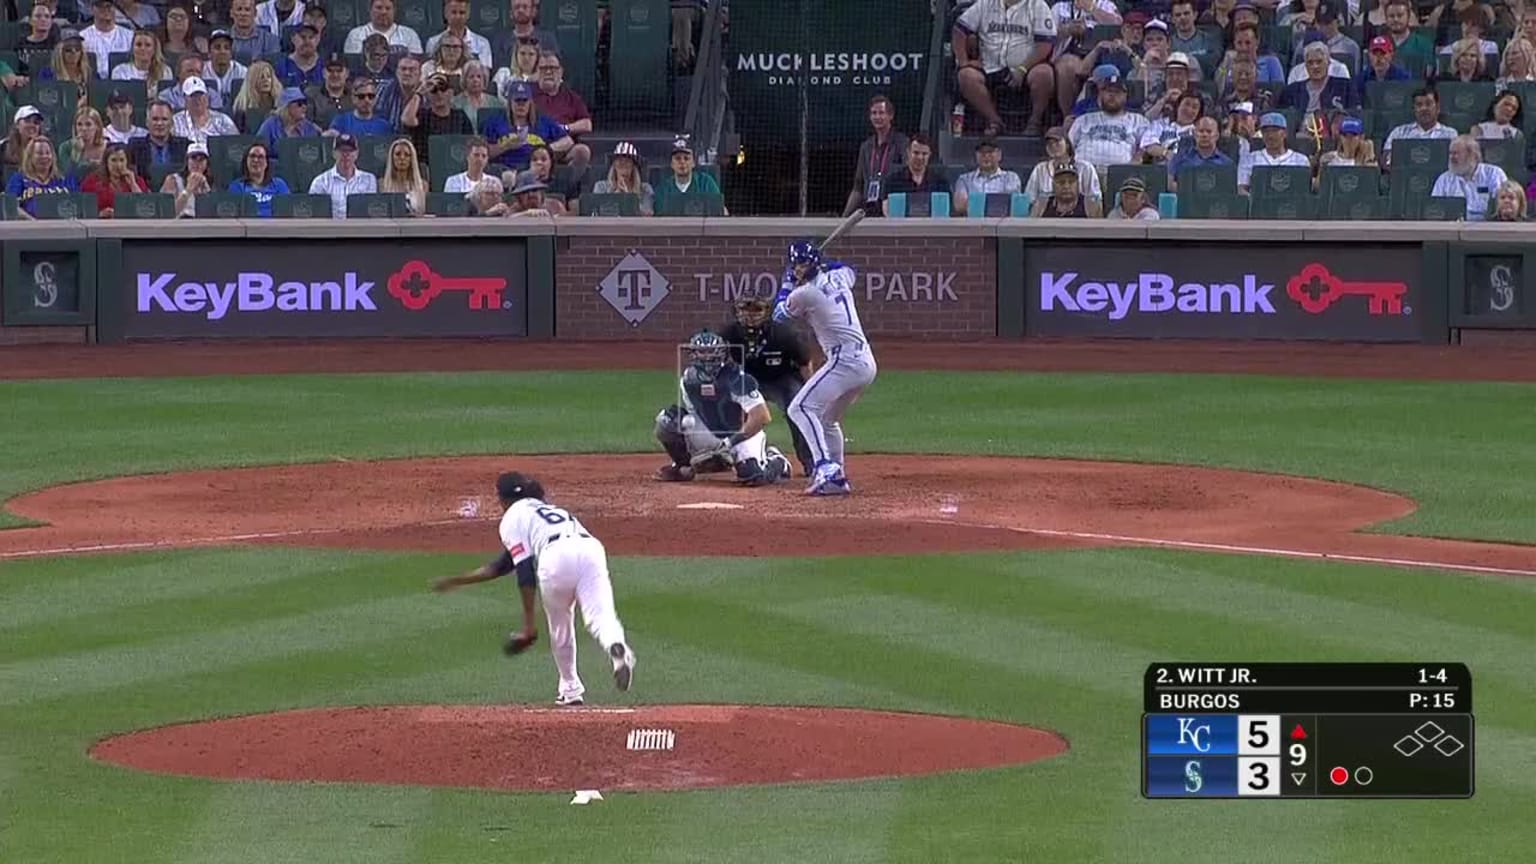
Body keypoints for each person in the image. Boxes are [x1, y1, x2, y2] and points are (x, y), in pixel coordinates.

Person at [432, 471, 636, 709]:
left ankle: (570, 689)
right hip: (589, 547)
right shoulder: (546, 509)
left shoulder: (511, 518)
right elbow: (502, 565)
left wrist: (528, 627)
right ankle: (617, 649)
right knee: (601, 617)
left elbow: (524, 570)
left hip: (555, 556)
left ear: (502, 499)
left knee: (560, 625)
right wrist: (458, 580)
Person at [772, 241, 877, 496]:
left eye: (802, 265)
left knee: (800, 407)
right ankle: (836, 474)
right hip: (865, 362)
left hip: (845, 361)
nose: (798, 269)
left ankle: (825, 468)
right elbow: (849, 268)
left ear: (813, 264)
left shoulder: (804, 294)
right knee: (828, 419)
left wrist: (786, 285)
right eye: (795, 265)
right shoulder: (839, 277)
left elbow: (777, 315)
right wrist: (822, 263)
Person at [652, 329, 793, 486]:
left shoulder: (737, 379)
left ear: (721, 354)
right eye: (702, 353)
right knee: (667, 420)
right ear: (693, 354)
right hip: (712, 431)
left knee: (753, 476)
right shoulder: (688, 379)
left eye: (711, 352)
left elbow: (761, 416)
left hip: (742, 432)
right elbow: (695, 415)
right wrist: (703, 451)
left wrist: (730, 443)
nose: (707, 357)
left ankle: (777, 461)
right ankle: (683, 467)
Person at [718, 284, 817, 478]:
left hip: (782, 379)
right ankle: (729, 458)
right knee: (725, 410)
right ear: (736, 312)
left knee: (799, 411)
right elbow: (718, 365)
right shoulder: (728, 334)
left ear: (767, 312)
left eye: (757, 310)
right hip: (747, 381)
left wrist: (811, 394)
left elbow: (805, 364)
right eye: (745, 310)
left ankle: (811, 462)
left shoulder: (783, 334)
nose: (751, 315)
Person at [952, 0, 1059, 137]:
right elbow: (959, 30)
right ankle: (994, 122)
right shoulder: (985, 4)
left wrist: (1022, 68)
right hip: (989, 66)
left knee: (1044, 74)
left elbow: (1045, 44)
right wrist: (963, 61)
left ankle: (1035, 122)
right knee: (966, 75)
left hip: (1026, 67)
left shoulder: (1037, 5)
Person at [480, 79, 573, 175]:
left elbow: (568, 141)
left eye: (525, 100)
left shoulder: (542, 121)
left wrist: (545, 149)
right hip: (504, 168)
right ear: (509, 102)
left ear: (530, 102)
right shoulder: (495, 121)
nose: (521, 105)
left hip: (534, 168)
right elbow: (484, 153)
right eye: (517, 100)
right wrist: (506, 146)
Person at [843, 94, 908, 217]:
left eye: (881, 113)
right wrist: (845, 216)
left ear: (890, 115)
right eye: (874, 113)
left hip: (891, 209)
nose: (877, 117)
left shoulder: (902, 143)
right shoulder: (866, 147)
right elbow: (858, 187)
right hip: (868, 209)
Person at [530, 51, 591, 168]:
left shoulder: (571, 97)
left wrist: (565, 128)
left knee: (582, 151)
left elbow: (587, 124)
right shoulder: (528, 95)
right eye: (543, 68)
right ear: (537, 72)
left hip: (562, 147)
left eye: (553, 68)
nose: (548, 72)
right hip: (534, 144)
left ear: (561, 71)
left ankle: (566, 184)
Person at [1432, 134, 1507, 220]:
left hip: (1488, 227)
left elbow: (1502, 206)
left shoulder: (1494, 174)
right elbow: (1436, 209)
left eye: (1456, 153)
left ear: (1473, 156)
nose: (1451, 157)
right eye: (1450, 153)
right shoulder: (1443, 180)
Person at [405, 72, 473, 162]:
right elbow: (407, 119)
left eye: (443, 89)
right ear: (428, 94)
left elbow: (471, 144)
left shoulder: (460, 117)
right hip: (427, 167)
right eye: (434, 90)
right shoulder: (422, 115)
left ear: (450, 93)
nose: (439, 94)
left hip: (453, 165)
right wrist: (420, 92)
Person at [1383, 88, 1458, 168]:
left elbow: (1456, 162)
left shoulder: (1450, 134)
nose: (1424, 109)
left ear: (1438, 108)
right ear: (1414, 109)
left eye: (1428, 104)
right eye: (1419, 105)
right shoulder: (1399, 133)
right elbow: (1386, 160)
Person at [1026, 126, 1101, 205]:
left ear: (1067, 144)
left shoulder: (1086, 168)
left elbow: (1095, 198)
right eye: (1049, 143)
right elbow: (1030, 198)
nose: (1053, 146)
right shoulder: (1040, 169)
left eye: (1057, 142)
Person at [6, 136, 79, 217]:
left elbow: (78, 205)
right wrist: (34, 223)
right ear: (30, 157)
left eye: (48, 153)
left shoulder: (65, 179)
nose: (44, 156)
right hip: (30, 226)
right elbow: (10, 206)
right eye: (40, 153)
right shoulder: (19, 179)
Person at [308, 133, 377, 218]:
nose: (346, 154)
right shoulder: (320, 182)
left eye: (350, 150)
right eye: (342, 150)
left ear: (357, 154)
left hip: (360, 228)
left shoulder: (369, 180)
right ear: (333, 153)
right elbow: (315, 214)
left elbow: (370, 213)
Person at [880, 133, 949, 216]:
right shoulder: (892, 181)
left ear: (930, 155)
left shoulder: (941, 183)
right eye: (916, 153)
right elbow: (887, 211)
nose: (920, 157)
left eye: (924, 154)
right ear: (908, 153)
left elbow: (946, 213)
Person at [1240, 112, 1311, 191]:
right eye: (1266, 131)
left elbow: (1305, 191)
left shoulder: (1300, 160)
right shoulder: (1250, 159)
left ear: (1284, 133)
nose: (1270, 135)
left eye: (1274, 130)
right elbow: (1241, 188)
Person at [652, 136, 724, 214]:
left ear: (693, 163)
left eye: (686, 158)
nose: (682, 162)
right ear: (672, 164)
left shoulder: (706, 184)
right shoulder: (663, 189)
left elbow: (719, 212)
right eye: (678, 158)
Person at [953, 136, 1023, 216]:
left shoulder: (1011, 178)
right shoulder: (964, 180)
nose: (986, 156)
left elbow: (1011, 205)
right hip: (973, 225)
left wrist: (975, 203)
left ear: (999, 155)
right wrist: (994, 204)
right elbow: (960, 206)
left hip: (1002, 225)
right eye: (981, 152)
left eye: (990, 152)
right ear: (976, 155)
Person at [1168, 114, 1235, 190]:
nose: (1204, 135)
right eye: (1201, 131)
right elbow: (1169, 183)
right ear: (1194, 134)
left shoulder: (1227, 163)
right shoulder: (1179, 158)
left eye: (1209, 132)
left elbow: (1230, 191)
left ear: (1217, 136)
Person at [80, 140, 146, 216]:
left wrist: (133, 184)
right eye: (113, 160)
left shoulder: (137, 180)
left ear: (127, 162)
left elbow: (143, 207)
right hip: (101, 223)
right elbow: (83, 208)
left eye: (122, 160)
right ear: (106, 162)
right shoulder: (92, 181)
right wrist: (99, 214)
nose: (118, 165)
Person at [590, 140, 653, 215]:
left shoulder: (645, 189)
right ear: (614, 165)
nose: (623, 163)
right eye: (620, 161)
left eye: (627, 161)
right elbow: (596, 213)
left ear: (633, 166)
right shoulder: (601, 187)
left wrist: (628, 198)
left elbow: (647, 214)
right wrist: (616, 197)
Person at [256, 87, 321, 158]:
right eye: (299, 104)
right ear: (287, 106)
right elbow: (258, 150)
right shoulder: (270, 125)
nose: (304, 107)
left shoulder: (309, 127)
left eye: (305, 103)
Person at [129, 100, 187, 181]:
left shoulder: (185, 146)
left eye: (164, 119)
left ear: (171, 123)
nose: (159, 123)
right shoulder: (134, 147)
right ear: (147, 122)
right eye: (155, 119)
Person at [228, 141, 289, 216]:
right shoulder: (236, 186)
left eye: (260, 157)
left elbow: (286, 212)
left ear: (266, 163)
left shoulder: (279, 185)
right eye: (252, 156)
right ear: (246, 161)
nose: (256, 160)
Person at [426, 0, 493, 68]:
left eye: (462, 13)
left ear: (468, 15)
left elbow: (485, 73)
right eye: (454, 12)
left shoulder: (482, 43)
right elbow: (429, 70)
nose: (458, 17)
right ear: (445, 14)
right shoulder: (433, 42)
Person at [173, 77, 239, 142]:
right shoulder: (175, 122)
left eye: (201, 95)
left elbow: (235, 145)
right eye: (193, 96)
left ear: (207, 97)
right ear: (185, 99)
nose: (198, 99)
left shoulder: (223, 121)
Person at [345, 0, 422, 56]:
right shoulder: (355, 34)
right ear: (370, 10)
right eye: (379, 8)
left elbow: (416, 63)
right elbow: (352, 64)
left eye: (388, 8)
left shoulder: (409, 34)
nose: (383, 12)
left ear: (394, 11)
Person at [83, 0, 135, 79]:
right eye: (100, 6)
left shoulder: (130, 36)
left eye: (109, 6)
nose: (105, 9)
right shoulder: (83, 36)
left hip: (123, 82)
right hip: (93, 82)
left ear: (115, 8)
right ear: (92, 9)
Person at [325, 77, 392, 138]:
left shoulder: (384, 126)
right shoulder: (340, 122)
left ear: (376, 98)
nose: (367, 100)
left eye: (371, 96)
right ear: (353, 98)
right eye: (361, 96)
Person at [161, 138, 211, 217]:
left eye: (201, 159)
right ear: (187, 161)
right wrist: (188, 190)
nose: (197, 163)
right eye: (194, 158)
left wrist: (206, 189)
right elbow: (167, 213)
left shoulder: (211, 181)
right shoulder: (173, 179)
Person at [378, 136, 426, 215]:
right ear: (392, 158)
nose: (402, 158)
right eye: (398, 154)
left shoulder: (423, 185)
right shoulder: (382, 185)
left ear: (412, 159)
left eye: (407, 155)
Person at [58, 105, 106, 180]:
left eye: (88, 124)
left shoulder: (108, 147)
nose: (83, 129)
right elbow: (68, 175)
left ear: (97, 127)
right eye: (79, 124)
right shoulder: (65, 147)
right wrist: (76, 152)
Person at [454, 61, 503, 130]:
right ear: (464, 80)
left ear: (484, 80)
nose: (475, 80)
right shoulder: (455, 103)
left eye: (479, 77)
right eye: (471, 77)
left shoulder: (495, 102)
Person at [307, 55, 352, 127]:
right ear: (323, 73)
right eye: (330, 70)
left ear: (347, 73)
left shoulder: (355, 96)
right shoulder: (311, 95)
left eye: (339, 70)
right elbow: (307, 124)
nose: (335, 75)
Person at [276, 22, 325, 89]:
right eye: (303, 37)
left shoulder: (325, 66)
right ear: (293, 39)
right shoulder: (281, 66)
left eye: (311, 37)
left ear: (317, 40)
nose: (307, 41)